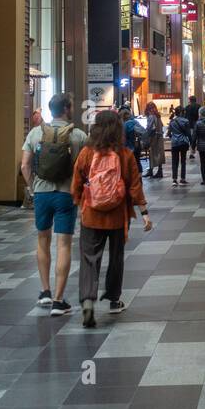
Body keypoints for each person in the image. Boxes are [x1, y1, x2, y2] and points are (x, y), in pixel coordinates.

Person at [71, 110, 151, 328]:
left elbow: (76, 181)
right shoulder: (124, 155)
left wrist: (79, 202)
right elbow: (135, 186)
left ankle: (88, 299)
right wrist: (144, 213)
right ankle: (114, 299)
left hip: (91, 215)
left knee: (89, 258)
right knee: (116, 257)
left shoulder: (87, 153)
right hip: (117, 216)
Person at [21, 93, 87, 317]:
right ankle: (59, 301)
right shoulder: (78, 135)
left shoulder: (36, 132)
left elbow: (24, 165)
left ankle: (45, 291)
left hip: (41, 193)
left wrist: (32, 188)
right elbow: (85, 168)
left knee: (42, 239)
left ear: (50, 110)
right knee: (64, 244)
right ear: (67, 109)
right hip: (66, 194)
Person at [168, 105, 193, 185]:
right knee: (183, 161)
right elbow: (188, 133)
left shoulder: (172, 121)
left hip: (174, 143)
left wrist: (173, 137)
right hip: (183, 142)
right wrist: (192, 143)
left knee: (174, 161)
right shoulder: (186, 121)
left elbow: (169, 133)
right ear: (182, 112)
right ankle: (182, 178)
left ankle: (174, 179)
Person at [144, 103, 165, 179]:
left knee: (152, 154)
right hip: (159, 137)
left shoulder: (151, 116)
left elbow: (149, 128)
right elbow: (162, 125)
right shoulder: (158, 115)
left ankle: (151, 171)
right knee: (159, 154)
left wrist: (145, 133)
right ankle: (159, 171)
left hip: (154, 138)